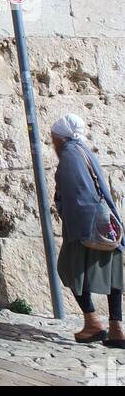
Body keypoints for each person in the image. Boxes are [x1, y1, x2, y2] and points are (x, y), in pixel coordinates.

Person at [52, 112, 124, 347]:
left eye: (54, 138)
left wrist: (73, 225)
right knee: (111, 272)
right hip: (106, 225)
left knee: (69, 269)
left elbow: (74, 196)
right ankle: (116, 329)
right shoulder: (84, 150)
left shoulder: (69, 156)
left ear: (61, 138)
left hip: (83, 227)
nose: (53, 143)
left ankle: (93, 322)